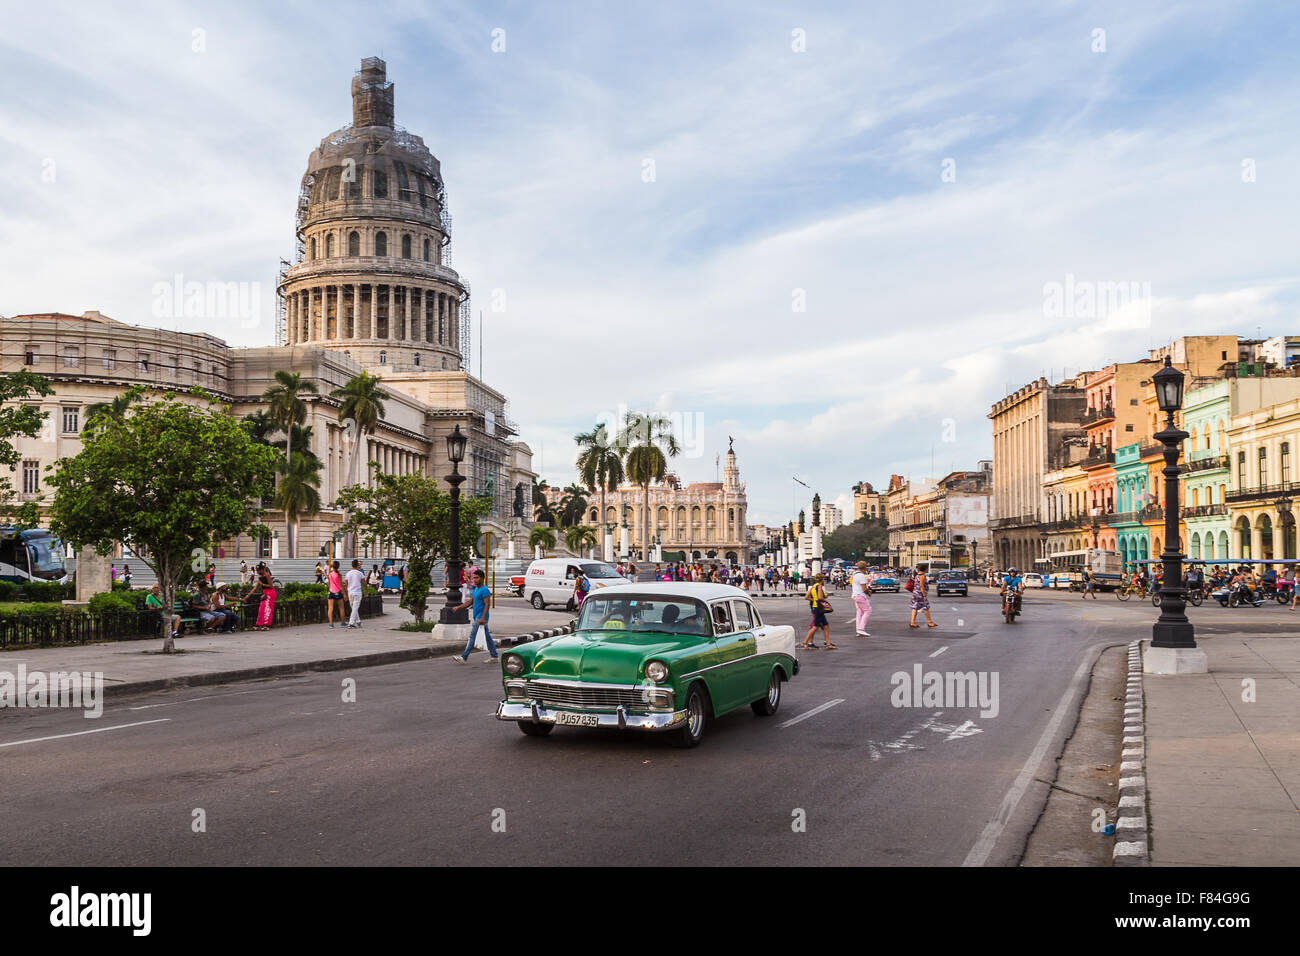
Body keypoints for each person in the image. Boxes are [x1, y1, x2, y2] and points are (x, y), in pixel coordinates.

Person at [452, 569, 498, 663]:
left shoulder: (485, 590)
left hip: (481, 617)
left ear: (482, 578)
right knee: (488, 638)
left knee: (472, 636)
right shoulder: (476, 589)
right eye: (474, 578)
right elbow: (470, 602)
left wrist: (482, 618)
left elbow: (487, 605)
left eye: (477, 578)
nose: (475, 580)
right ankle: (495, 656)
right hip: (477, 616)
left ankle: (464, 657)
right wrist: (459, 607)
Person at [803, 573, 835, 649]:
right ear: (822, 579)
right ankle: (805, 642)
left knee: (826, 626)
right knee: (815, 627)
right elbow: (820, 597)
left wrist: (814, 600)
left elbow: (806, 597)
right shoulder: (819, 586)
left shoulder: (813, 586)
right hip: (818, 608)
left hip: (815, 607)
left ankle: (828, 644)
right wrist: (826, 600)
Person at [909, 564, 937, 628]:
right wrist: (924, 595)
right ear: (924, 569)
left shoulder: (917, 576)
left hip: (915, 593)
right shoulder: (922, 576)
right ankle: (929, 622)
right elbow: (921, 586)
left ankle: (912, 622)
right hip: (920, 594)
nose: (927, 569)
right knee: (926, 607)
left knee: (915, 607)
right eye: (927, 568)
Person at [850, 560, 873, 637]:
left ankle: (858, 629)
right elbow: (864, 588)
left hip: (855, 595)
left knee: (859, 612)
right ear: (865, 567)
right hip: (860, 595)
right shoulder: (861, 576)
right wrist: (869, 592)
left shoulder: (855, 574)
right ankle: (861, 629)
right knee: (868, 610)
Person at [252, 563, 277, 630]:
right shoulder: (260, 577)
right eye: (256, 570)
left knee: (267, 609)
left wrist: (262, 584)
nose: (257, 572)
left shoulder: (267, 575)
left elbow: (271, 586)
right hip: (265, 593)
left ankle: (267, 625)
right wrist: (248, 595)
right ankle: (258, 624)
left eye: (258, 570)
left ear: (262, 570)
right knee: (261, 609)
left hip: (270, 593)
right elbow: (255, 587)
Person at [344, 559, 366, 628]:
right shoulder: (360, 573)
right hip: (357, 592)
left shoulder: (348, 573)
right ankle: (351, 623)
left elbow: (346, 584)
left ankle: (357, 621)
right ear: (357, 565)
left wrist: (345, 593)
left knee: (353, 607)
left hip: (350, 592)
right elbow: (364, 583)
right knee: (355, 608)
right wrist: (366, 590)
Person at [326, 560, 345, 627]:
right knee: (341, 608)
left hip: (331, 591)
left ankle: (331, 624)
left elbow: (329, 583)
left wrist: (330, 565)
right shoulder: (339, 575)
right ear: (338, 566)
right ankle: (342, 622)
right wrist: (344, 593)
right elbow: (340, 585)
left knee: (330, 608)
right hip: (338, 592)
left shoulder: (330, 574)